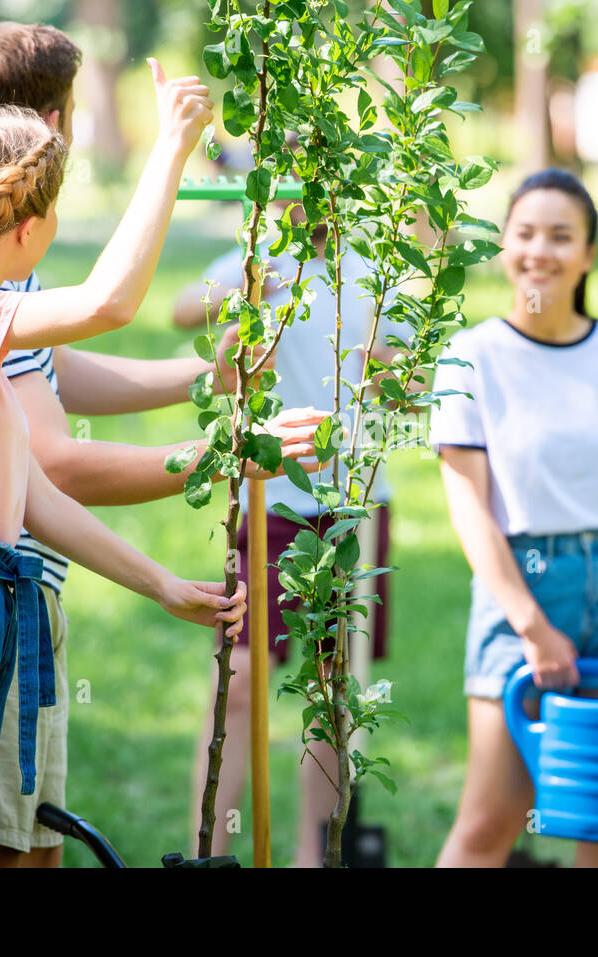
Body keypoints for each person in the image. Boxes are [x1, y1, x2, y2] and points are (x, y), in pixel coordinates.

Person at [0, 23, 323, 868]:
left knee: (30, 850)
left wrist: (206, 390)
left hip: (2, 590)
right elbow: (101, 329)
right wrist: (173, 148)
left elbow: (39, 453)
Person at [427, 169, 598, 868]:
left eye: (562, 236)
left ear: (589, 254)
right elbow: (467, 503)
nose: (541, 250)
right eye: (525, 233)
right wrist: (533, 626)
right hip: (518, 599)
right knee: (488, 823)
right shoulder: (469, 355)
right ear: (503, 245)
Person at [173, 201, 409, 866]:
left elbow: (406, 382)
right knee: (241, 676)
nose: (300, 204)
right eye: (284, 191)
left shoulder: (371, 268)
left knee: (332, 684)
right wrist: (244, 286)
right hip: (268, 496)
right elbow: (182, 308)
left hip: (351, 501)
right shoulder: (262, 259)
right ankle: (210, 851)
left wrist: (388, 366)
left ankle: (315, 854)